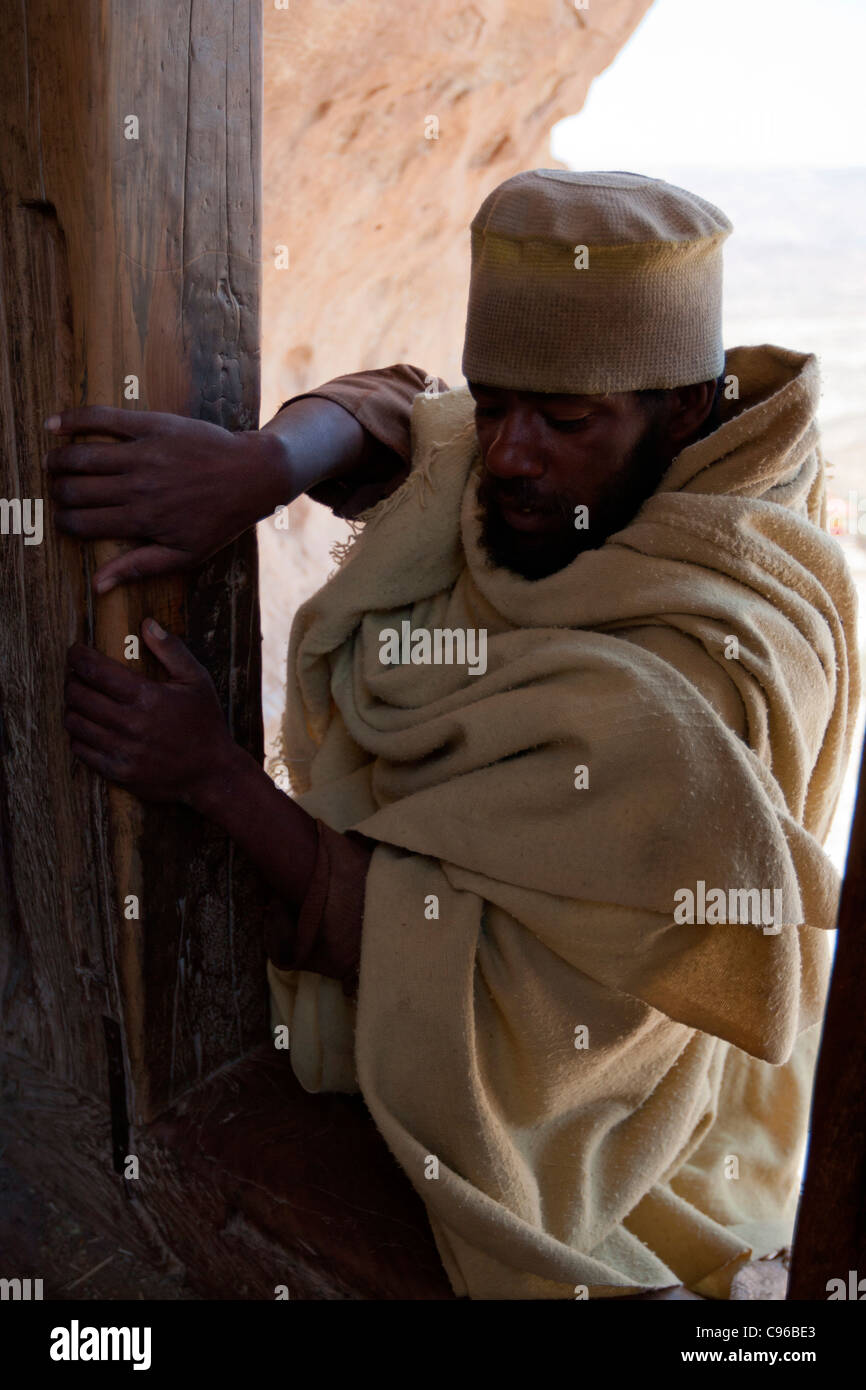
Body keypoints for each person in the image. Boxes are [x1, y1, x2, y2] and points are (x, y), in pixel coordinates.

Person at [49, 170, 860, 1300]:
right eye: (497, 405)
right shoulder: (557, 476)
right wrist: (259, 468)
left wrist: (216, 780)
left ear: (682, 410)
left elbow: (476, 987)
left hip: (609, 1107)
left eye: (561, 422)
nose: (508, 457)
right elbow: (405, 410)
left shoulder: (695, 675)